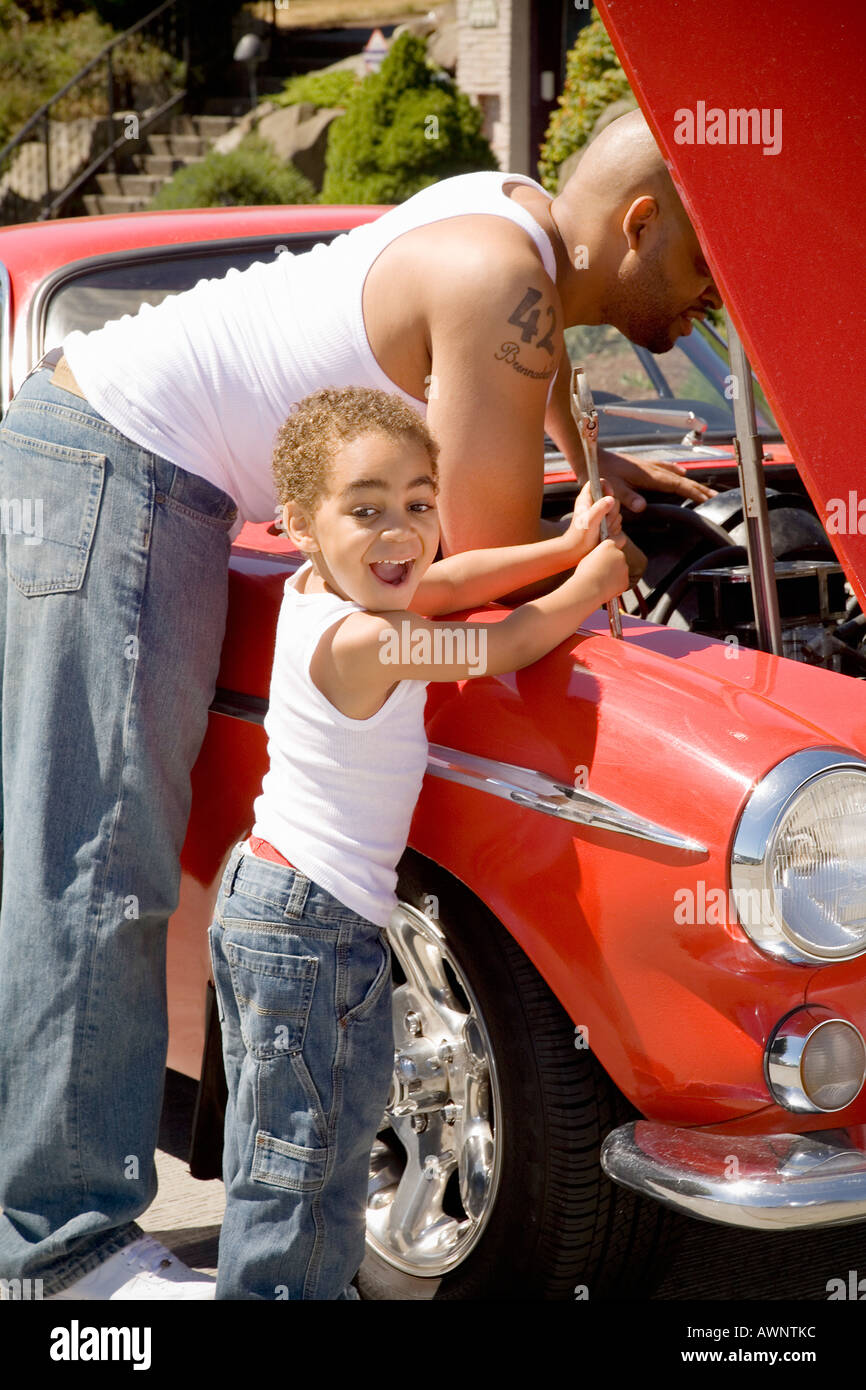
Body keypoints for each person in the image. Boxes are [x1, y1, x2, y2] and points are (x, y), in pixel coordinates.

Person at [0, 107, 718, 1300]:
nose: (708, 302)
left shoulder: (511, 222)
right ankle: (61, 1259)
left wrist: (590, 469)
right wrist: (583, 554)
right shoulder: (505, 278)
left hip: (122, 458)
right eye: (700, 268)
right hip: (118, 466)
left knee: (100, 854)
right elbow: (474, 549)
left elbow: (515, 370)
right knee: (96, 861)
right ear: (637, 223)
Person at [210, 385, 628, 1299]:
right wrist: (585, 590)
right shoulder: (368, 642)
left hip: (279, 906)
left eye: (417, 504)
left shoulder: (319, 590)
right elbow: (504, 644)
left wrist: (559, 545)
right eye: (366, 509)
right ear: (299, 523)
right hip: (308, 926)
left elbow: (449, 581)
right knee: (307, 1170)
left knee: (289, 1144)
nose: (399, 532)